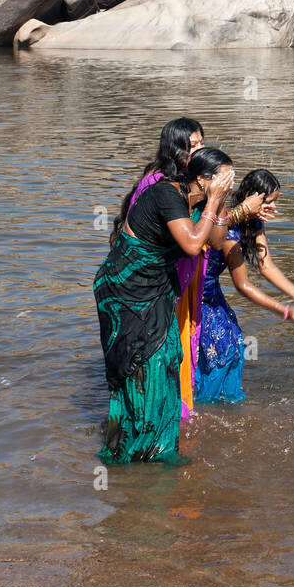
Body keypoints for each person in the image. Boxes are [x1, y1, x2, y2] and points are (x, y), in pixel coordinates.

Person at [94, 147, 234, 463]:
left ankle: (158, 449)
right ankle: (121, 447)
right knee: (135, 369)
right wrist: (213, 200)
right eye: (224, 178)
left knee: (168, 360)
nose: (229, 183)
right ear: (202, 179)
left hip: (156, 291)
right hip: (125, 291)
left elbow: (214, 241)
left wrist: (220, 202)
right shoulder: (166, 194)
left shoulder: (200, 204)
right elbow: (192, 245)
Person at [194, 168, 294, 404]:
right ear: (251, 198)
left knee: (235, 344)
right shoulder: (230, 228)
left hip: (212, 291)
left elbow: (266, 267)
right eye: (269, 202)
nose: (273, 209)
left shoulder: (253, 222)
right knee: (222, 351)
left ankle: (224, 407)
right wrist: (286, 312)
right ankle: (201, 407)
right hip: (195, 294)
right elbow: (242, 285)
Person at [111, 117, 206, 422]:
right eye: (193, 146)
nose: (200, 150)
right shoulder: (159, 183)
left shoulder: (192, 179)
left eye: (203, 143)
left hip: (180, 276)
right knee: (155, 353)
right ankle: (153, 419)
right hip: (155, 281)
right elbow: (184, 239)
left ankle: (173, 414)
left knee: (171, 350)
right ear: (176, 149)